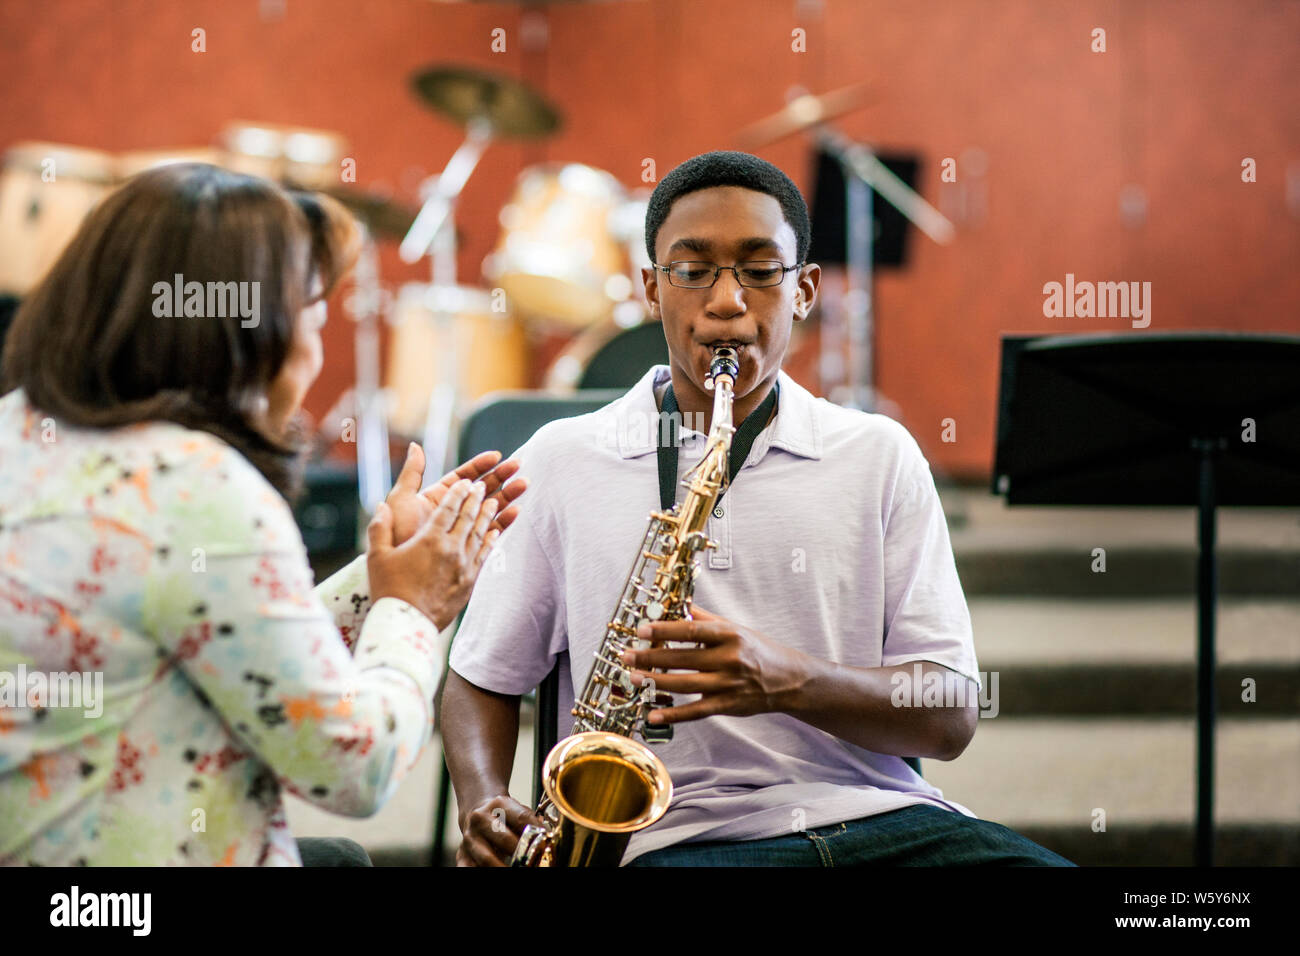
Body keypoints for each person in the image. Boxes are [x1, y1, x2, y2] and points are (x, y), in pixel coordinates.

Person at [441, 150, 1074, 866]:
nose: (727, 301)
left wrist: (788, 680)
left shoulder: (878, 454)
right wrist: (482, 798)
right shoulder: (562, 457)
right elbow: (478, 678)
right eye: (692, 270)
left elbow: (951, 717)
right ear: (652, 289)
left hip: (883, 824)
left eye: (759, 269)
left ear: (803, 289)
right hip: (676, 841)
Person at [0, 163, 525, 866]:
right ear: (243, 335)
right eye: (313, 319)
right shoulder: (197, 490)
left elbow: (230, 637)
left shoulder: (19, 430)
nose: (313, 351)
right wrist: (413, 608)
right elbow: (354, 769)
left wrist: (379, 577)